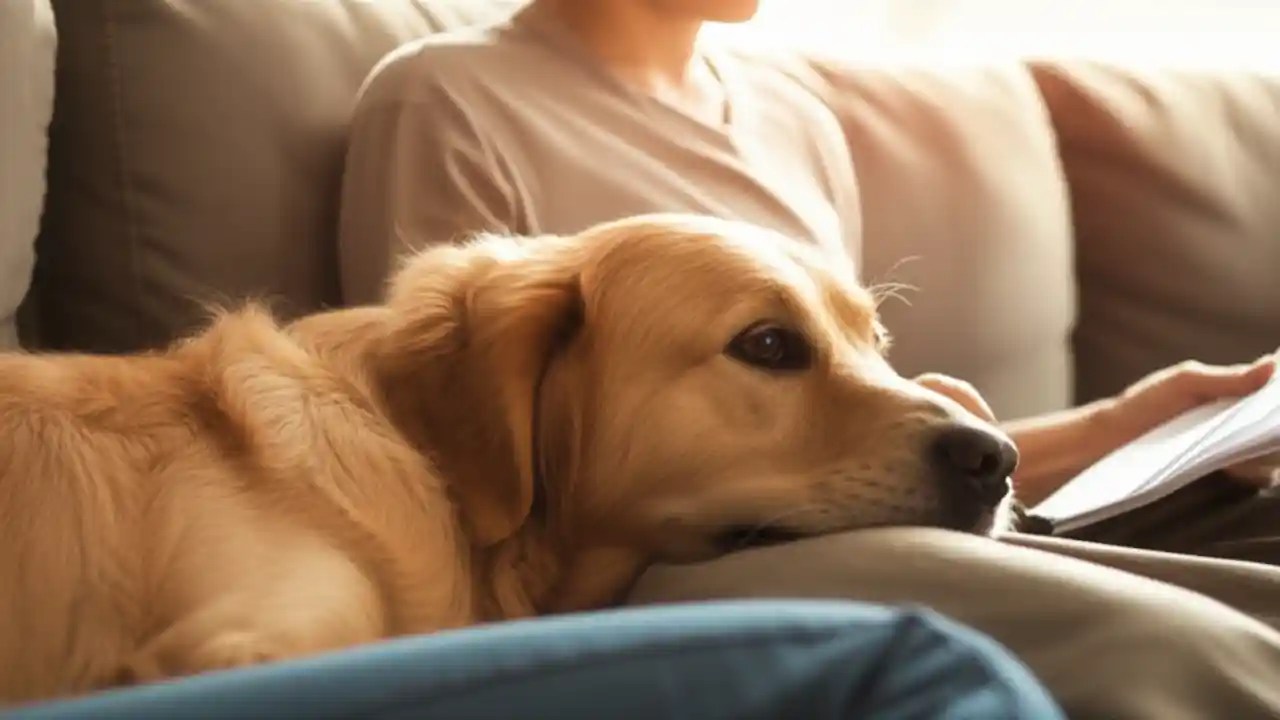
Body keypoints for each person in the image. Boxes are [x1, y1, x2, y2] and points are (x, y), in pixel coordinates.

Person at [337, 0, 1280, 716]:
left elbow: (823, 453)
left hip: (830, 520)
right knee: (1171, 644)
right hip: (651, 566)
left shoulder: (796, 118)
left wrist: (1124, 427)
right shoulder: (450, 96)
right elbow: (459, 457)